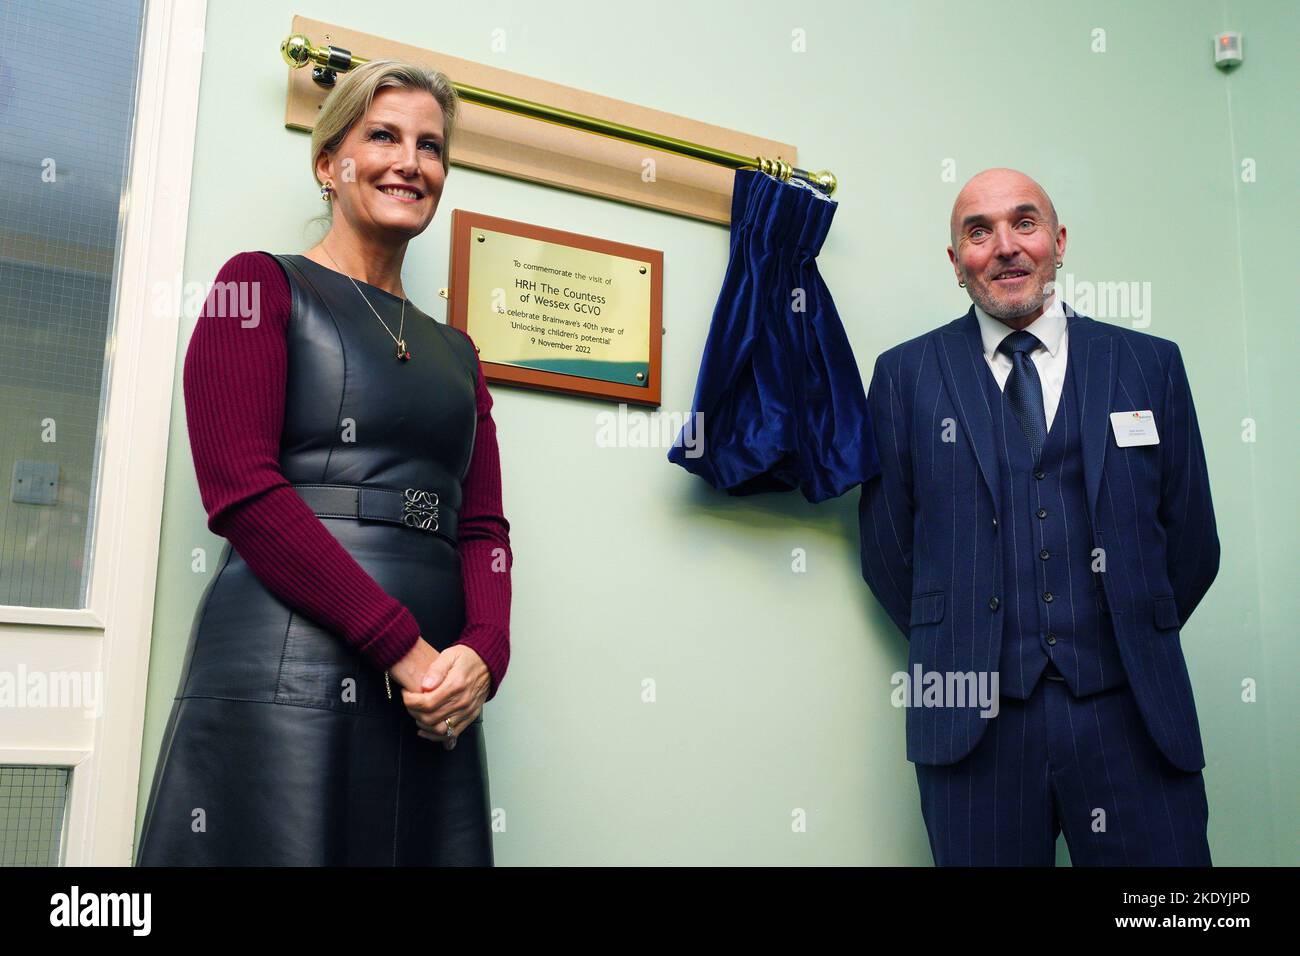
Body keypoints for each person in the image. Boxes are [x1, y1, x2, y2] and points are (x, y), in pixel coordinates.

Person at [136, 59, 512, 865]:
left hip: (434, 696)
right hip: (292, 665)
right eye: (383, 136)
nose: (411, 162)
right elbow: (243, 495)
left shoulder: (459, 352)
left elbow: (483, 527)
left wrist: (482, 653)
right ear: (326, 166)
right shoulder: (256, 285)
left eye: (431, 146)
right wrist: (402, 648)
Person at [858, 167, 1219, 865]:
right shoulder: (904, 376)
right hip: (972, 725)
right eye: (978, 231)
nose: (1004, 246)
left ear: (1057, 241)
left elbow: (1192, 542)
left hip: (1134, 716)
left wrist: (1131, 634)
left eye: (1023, 223)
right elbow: (888, 552)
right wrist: (970, 638)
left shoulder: (1149, 366)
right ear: (955, 262)